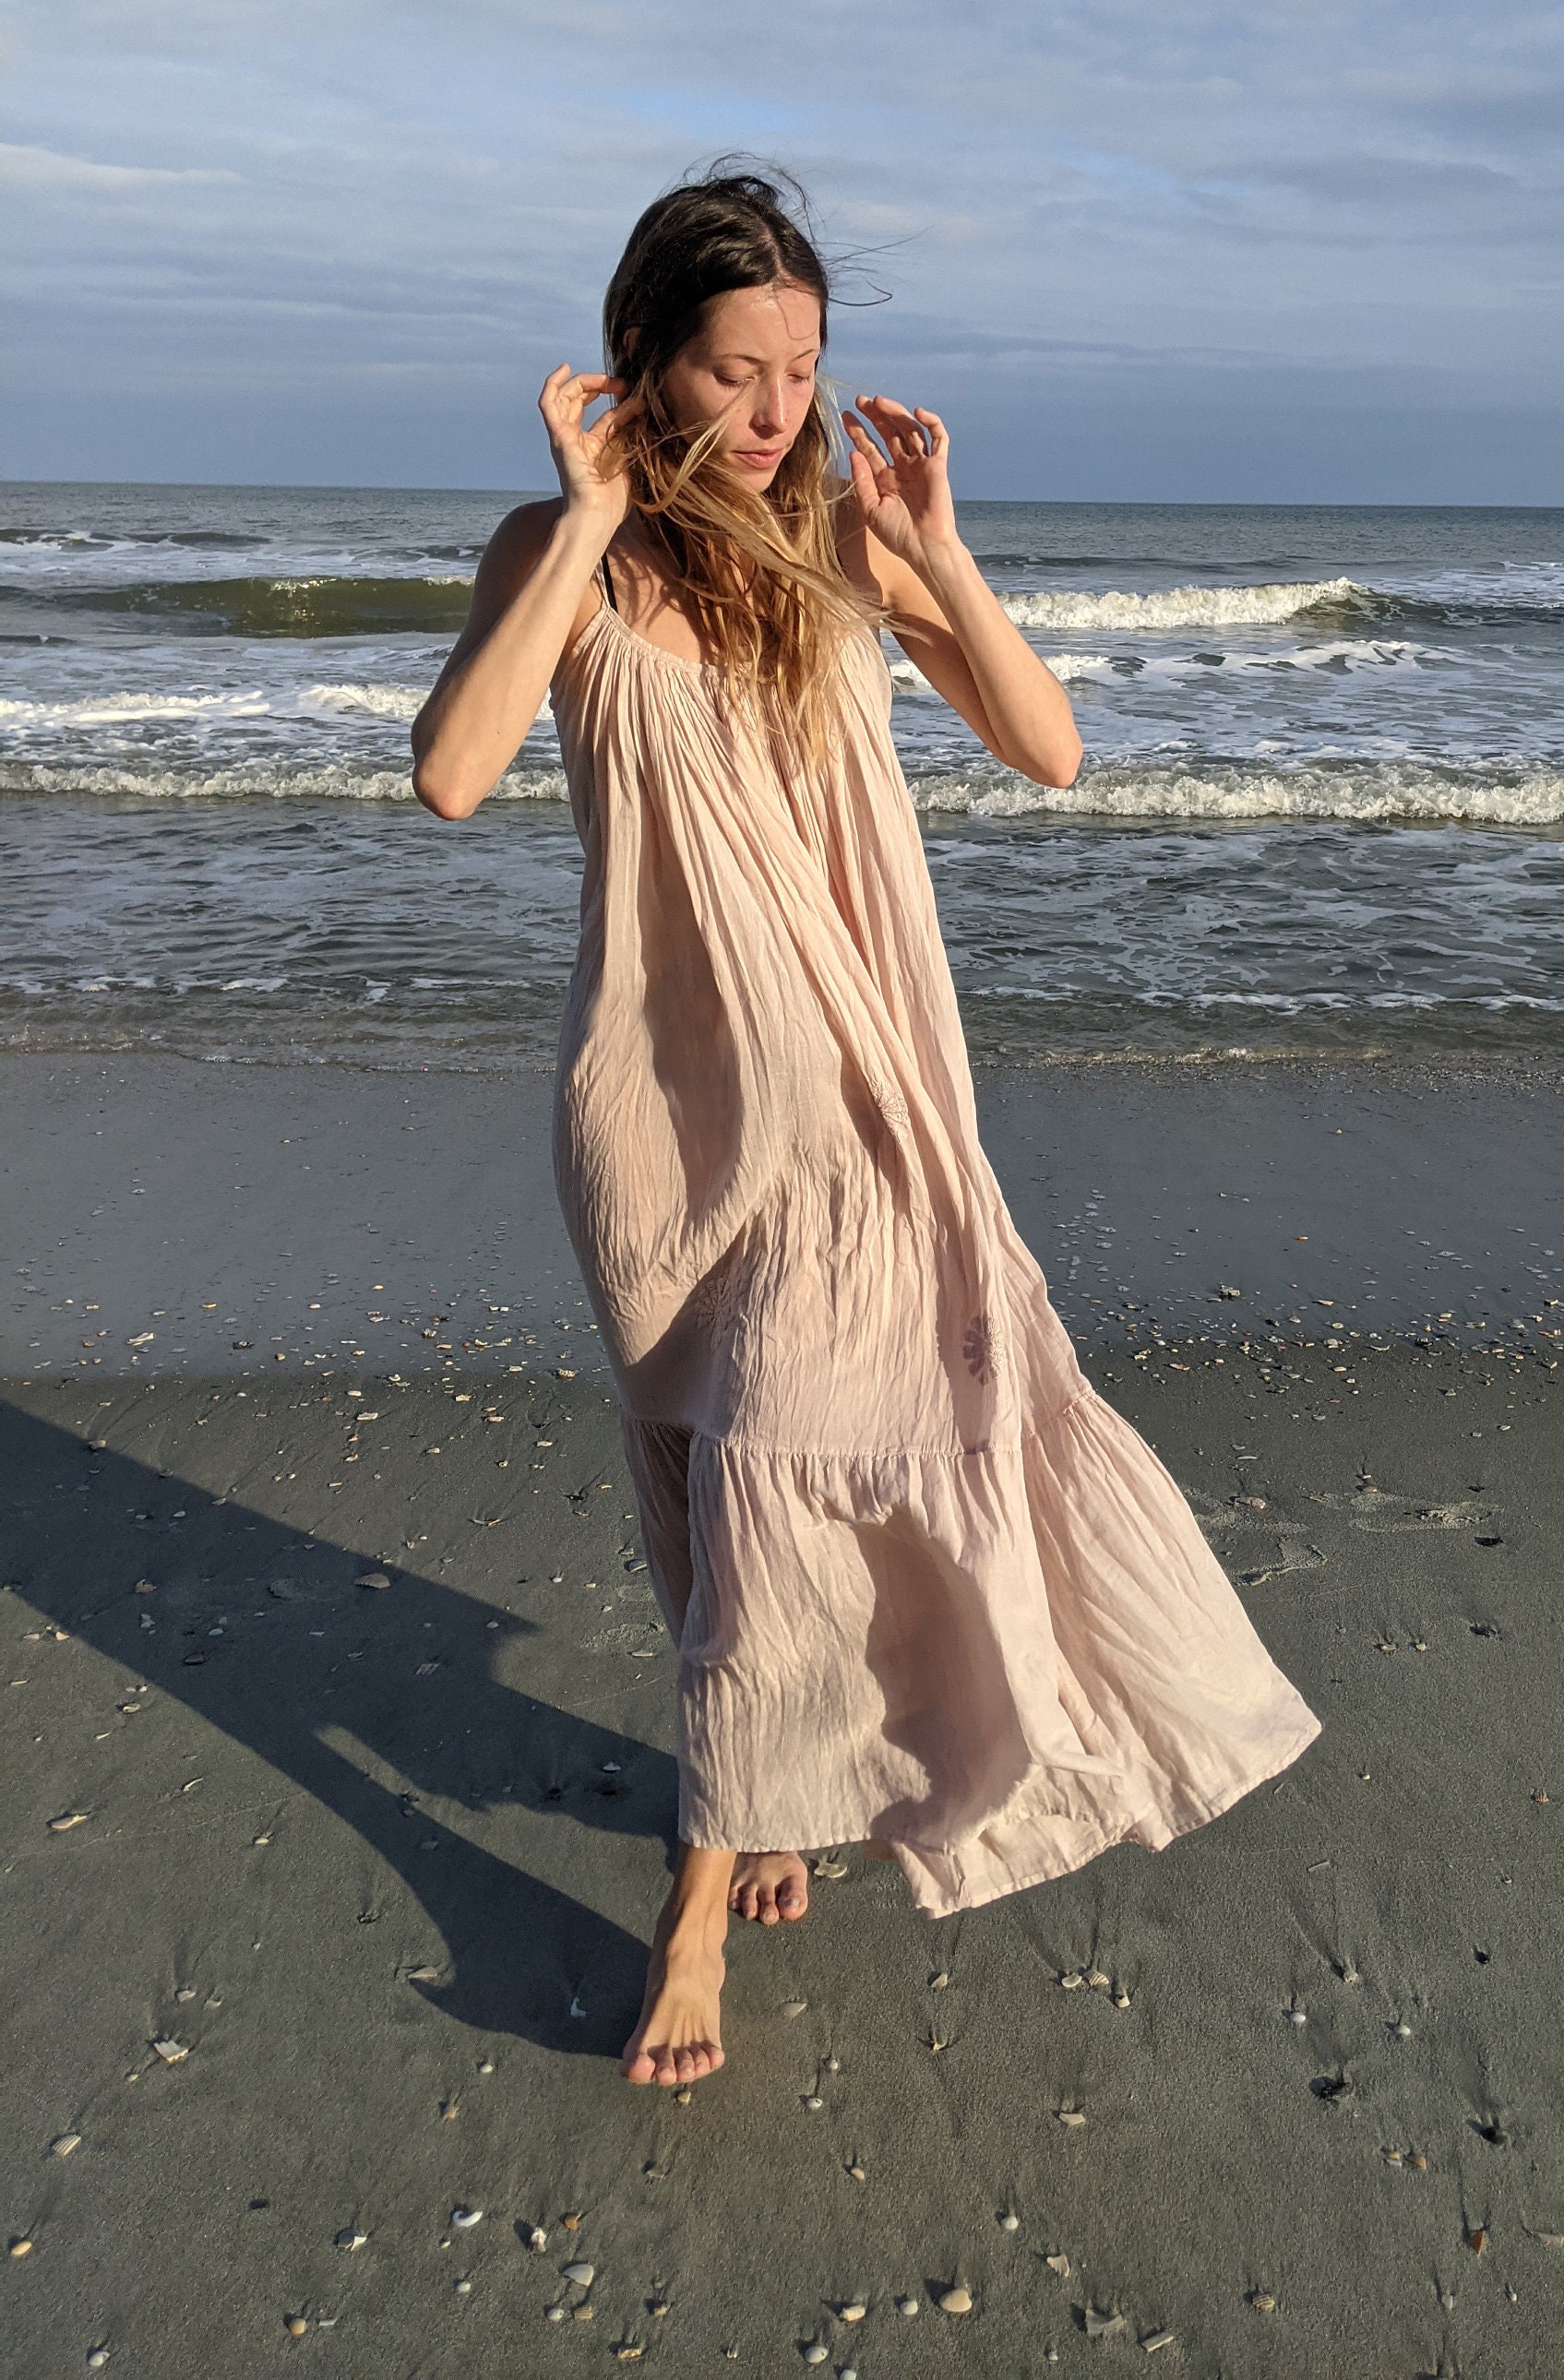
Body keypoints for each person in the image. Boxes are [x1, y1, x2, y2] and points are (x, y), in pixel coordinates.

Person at [411, 166, 1319, 2089]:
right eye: (733, 370)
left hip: (863, 1105)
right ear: (639, 365)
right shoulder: (557, 552)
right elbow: (453, 775)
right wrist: (580, 531)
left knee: (787, 1468)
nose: (769, 411)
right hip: (661, 1111)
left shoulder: (837, 537)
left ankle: (694, 1900)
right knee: (707, 1474)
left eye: (800, 370)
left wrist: (941, 545)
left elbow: (1047, 745)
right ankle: (773, 1774)